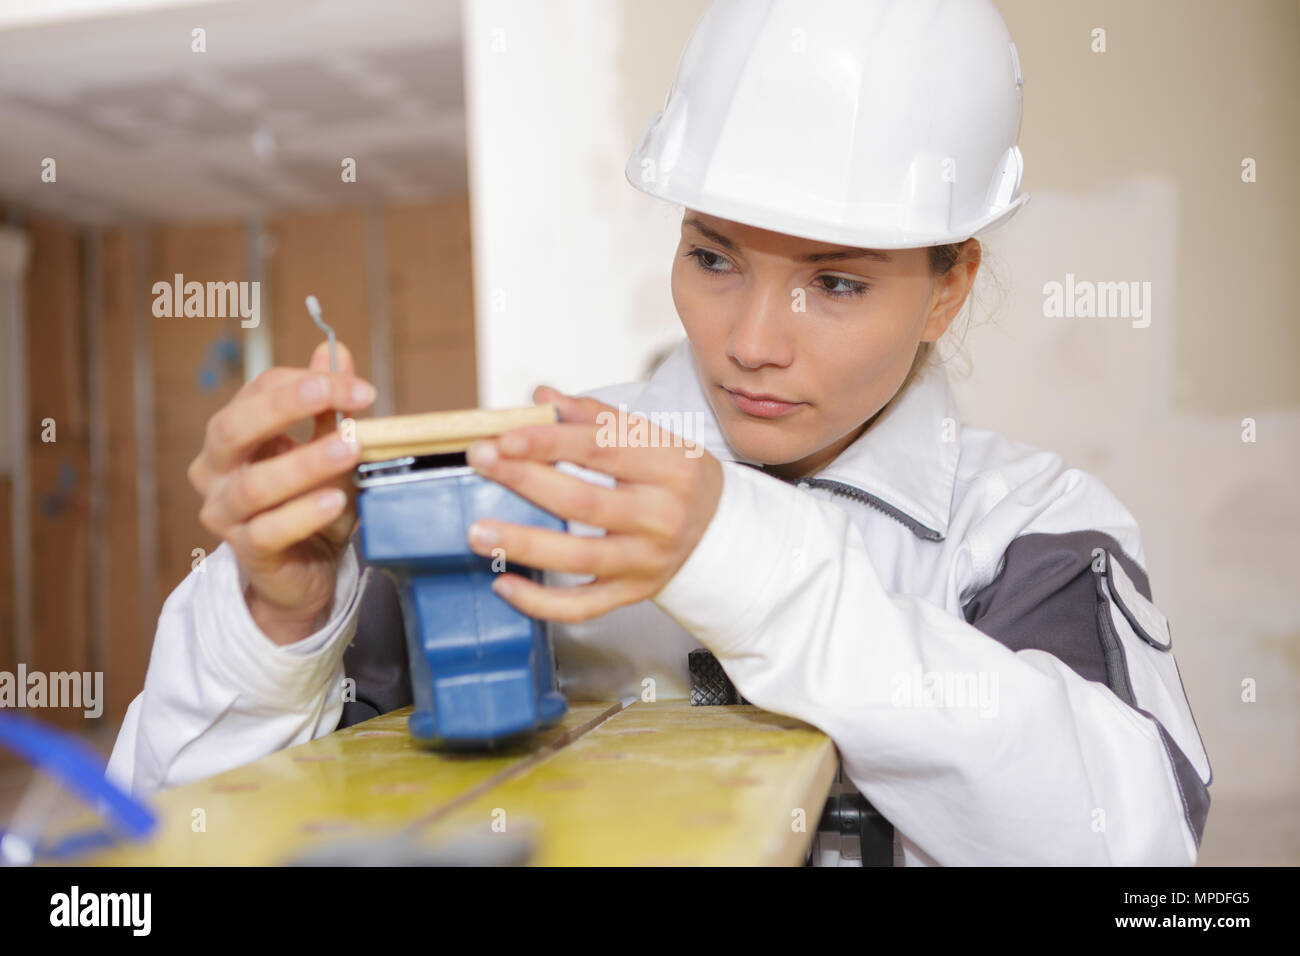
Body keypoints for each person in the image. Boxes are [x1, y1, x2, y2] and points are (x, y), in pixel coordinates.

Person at [107, 0, 1210, 865]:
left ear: (945, 289)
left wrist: (745, 560)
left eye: (833, 281)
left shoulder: (1027, 529)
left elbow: (1139, 852)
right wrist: (274, 624)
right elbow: (171, 839)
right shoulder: (523, 487)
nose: (750, 341)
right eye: (714, 255)